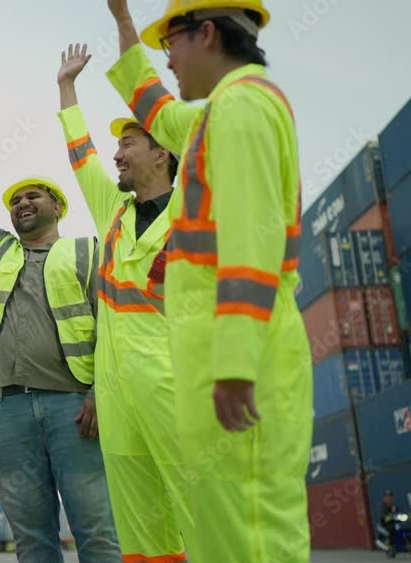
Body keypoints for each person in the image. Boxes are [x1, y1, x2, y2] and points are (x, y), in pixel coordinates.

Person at [104, 0, 312, 561]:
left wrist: (236, 364)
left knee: (250, 537)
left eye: (170, 43)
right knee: (226, 536)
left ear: (208, 34)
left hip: (241, 365)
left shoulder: (240, 111)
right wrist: (123, 21)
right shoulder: (211, 118)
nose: (166, 59)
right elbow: (152, 101)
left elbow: (251, 243)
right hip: (217, 364)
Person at [0, 74, 121, 563]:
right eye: (16, 200)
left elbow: (113, 327)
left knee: (98, 531)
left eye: (33, 196)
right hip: (7, 411)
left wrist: (100, 394)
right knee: (32, 541)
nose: (22, 203)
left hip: (73, 407)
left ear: (58, 207)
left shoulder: (88, 251)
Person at [56, 42, 193, 562]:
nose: (118, 153)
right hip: (117, 400)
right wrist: (67, 88)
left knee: (199, 512)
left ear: (162, 152)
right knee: (140, 531)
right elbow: (81, 153)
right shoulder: (113, 209)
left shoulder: (194, 210)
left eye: (130, 142)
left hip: (175, 389)